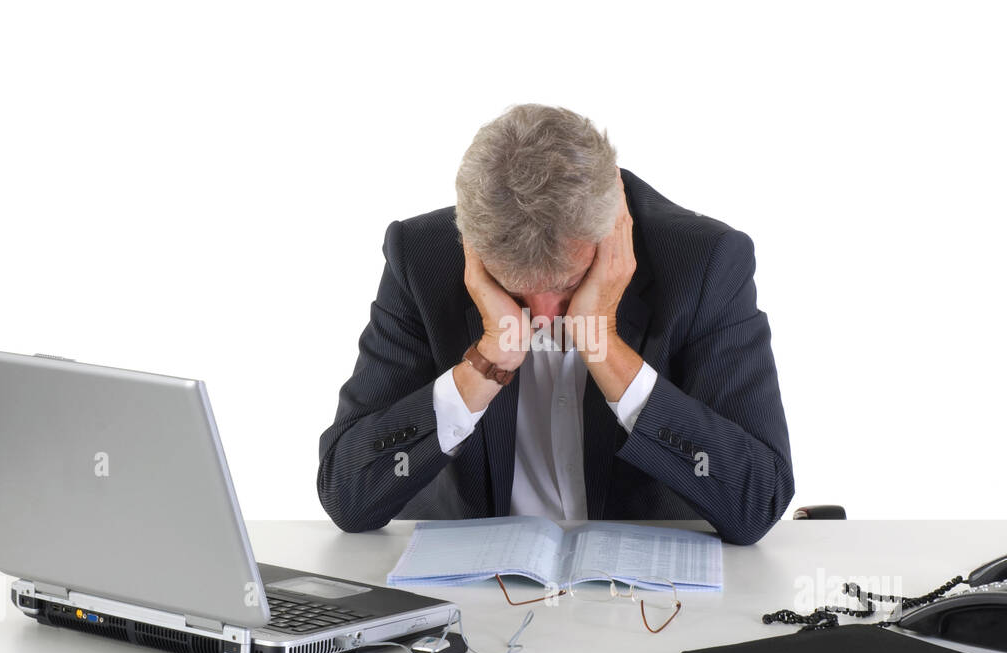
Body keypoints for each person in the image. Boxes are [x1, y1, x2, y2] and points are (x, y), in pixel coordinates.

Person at [317, 104, 792, 545]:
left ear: (613, 235)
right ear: (472, 248)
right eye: (516, 290)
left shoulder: (706, 262)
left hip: (645, 604)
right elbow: (348, 497)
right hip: (480, 596)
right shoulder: (422, 258)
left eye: (567, 284)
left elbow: (756, 503)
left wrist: (603, 345)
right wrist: (486, 363)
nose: (543, 318)